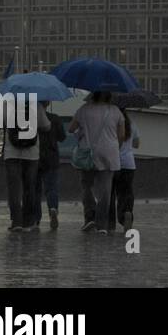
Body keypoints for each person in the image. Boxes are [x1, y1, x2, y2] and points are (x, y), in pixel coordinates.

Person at [69, 92, 126, 235]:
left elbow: (71, 128)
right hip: (109, 152)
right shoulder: (115, 110)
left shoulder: (84, 109)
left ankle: (90, 216)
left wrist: (82, 130)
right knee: (105, 190)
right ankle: (102, 225)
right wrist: (114, 147)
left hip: (88, 152)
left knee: (86, 185)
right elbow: (122, 135)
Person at [0, 95, 51, 232]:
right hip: (31, 153)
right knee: (30, 187)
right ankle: (28, 222)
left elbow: (2, 123)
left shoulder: (7, 105)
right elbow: (46, 126)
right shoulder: (37, 105)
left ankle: (16, 221)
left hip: (12, 152)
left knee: (14, 188)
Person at [30, 101, 65, 230]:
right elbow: (62, 137)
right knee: (51, 188)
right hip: (52, 157)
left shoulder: (31, 118)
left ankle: (35, 219)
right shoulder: (55, 118)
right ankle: (53, 209)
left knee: (35, 189)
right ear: (48, 103)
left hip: (35, 156)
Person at [108, 107, 139, 231]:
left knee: (110, 193)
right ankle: (126, 213)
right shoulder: (132, 125)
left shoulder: (111, 124)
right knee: (126, 192)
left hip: (113, 162)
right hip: (129, 163)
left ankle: (110, 222)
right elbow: (137, 144)